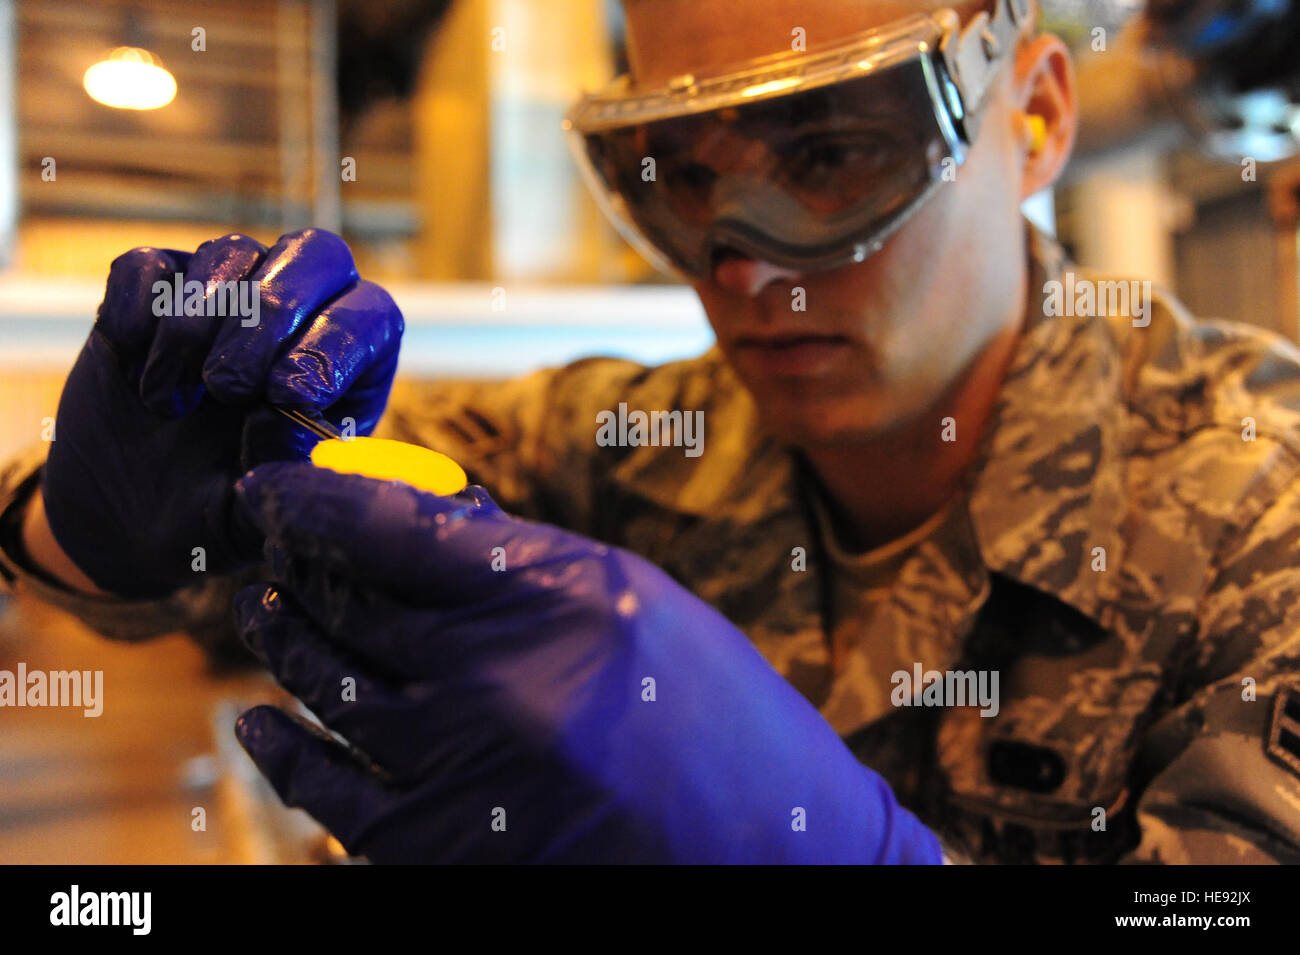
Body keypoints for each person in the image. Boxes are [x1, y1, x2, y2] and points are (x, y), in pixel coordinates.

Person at [2, 0, 1299, 863]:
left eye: (833, 154)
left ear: (1034, 118)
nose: (739, 269)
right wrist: (82, 525)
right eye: (679, 177)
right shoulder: (625, 445)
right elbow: (233, 541)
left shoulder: (1258, 519)